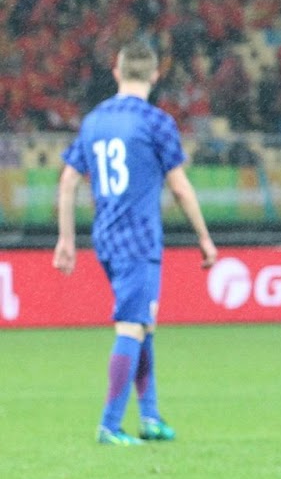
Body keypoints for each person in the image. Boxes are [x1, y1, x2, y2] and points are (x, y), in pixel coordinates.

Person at [54, 40, 217, 445]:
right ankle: (110, 425)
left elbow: (69, 180)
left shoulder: (94, 120)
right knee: (132, 325)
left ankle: (150, 416)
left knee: (145, 320)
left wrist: (66, 239)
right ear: (156, 76)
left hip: (105, 237)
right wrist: (203, 237)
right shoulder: (157, 122)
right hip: (139, 238)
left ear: (117, 72)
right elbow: (179, 187)